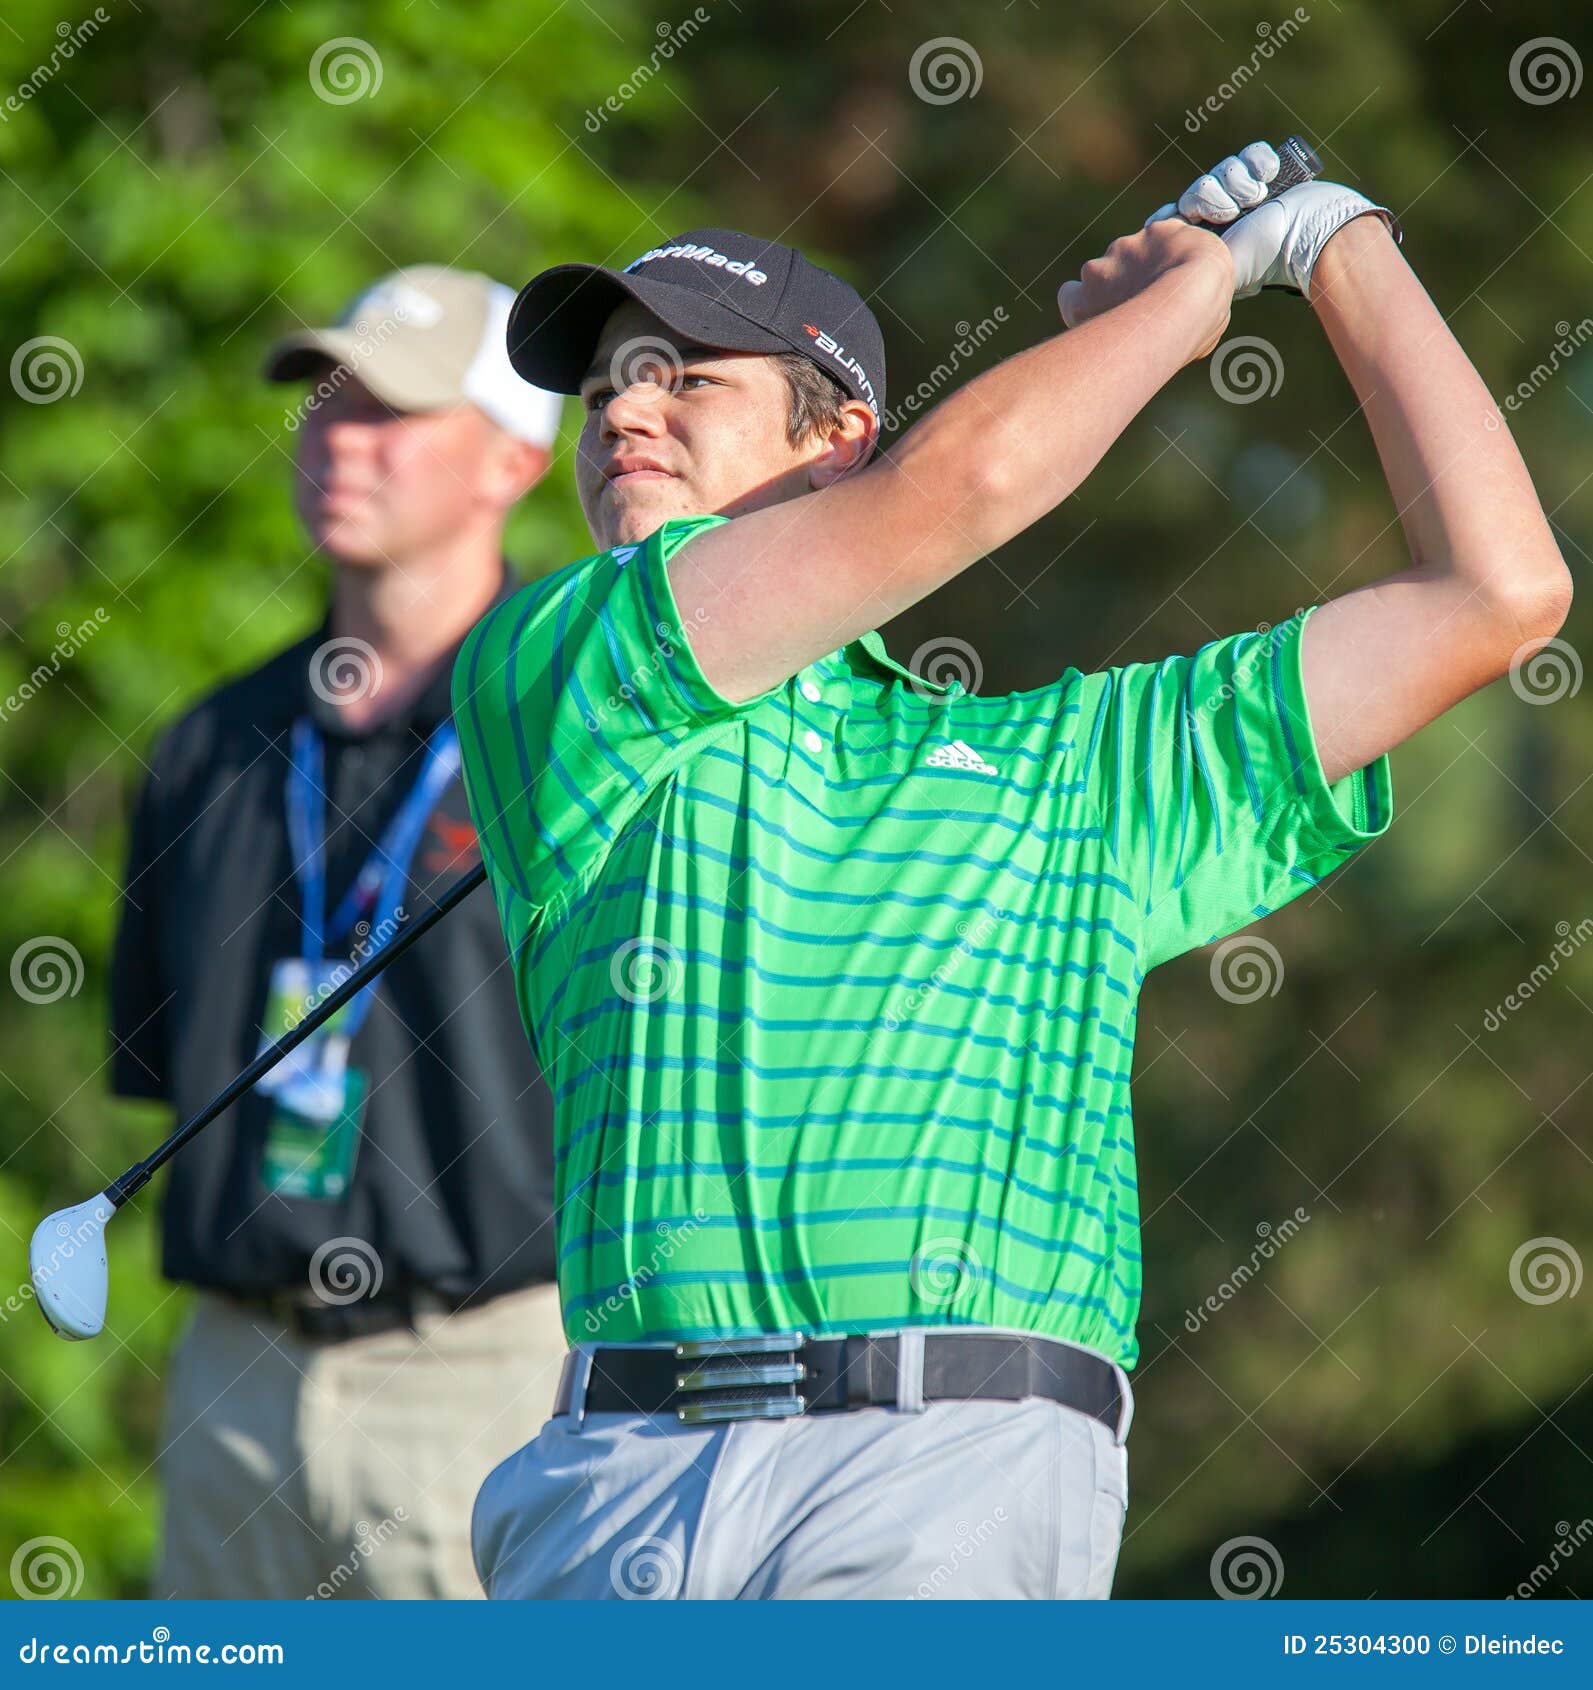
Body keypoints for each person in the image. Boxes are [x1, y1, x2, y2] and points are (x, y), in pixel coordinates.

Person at [452, 146, 1572, 1599]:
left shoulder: (1076, 769)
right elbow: (961, 489)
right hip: (616, 1480)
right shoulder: (550, 665)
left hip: (950, 1465)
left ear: (837, 433)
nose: (622, 412)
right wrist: (1198, 289)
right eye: (605, 387)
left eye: (685, 379)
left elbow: (1497, 590)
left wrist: (1338, 242)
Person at [110, 265, 572, 1599]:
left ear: (514, 457)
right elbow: (158, 1073)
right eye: (326, 404)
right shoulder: (210, 745)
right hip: (233, 1379)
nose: (338, 439)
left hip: (488, 1375)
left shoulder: (576, 737)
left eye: (393, 412)